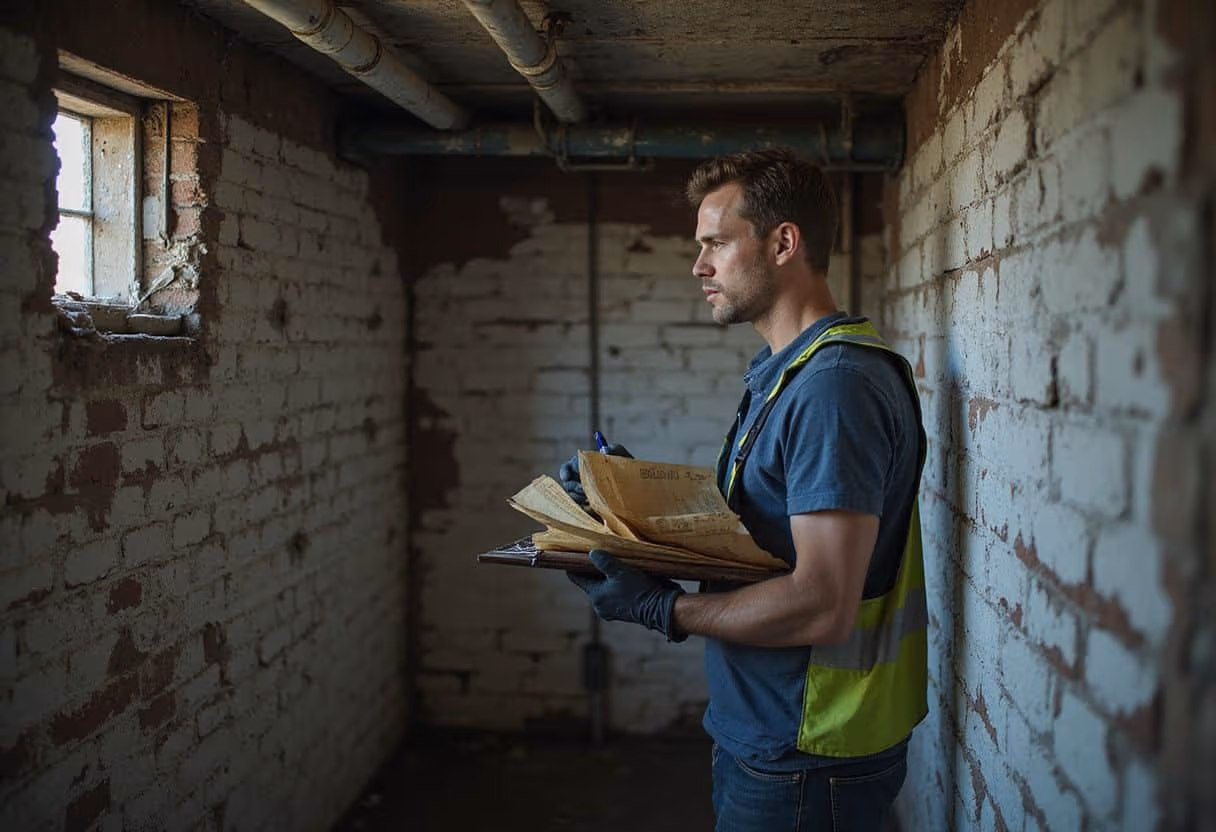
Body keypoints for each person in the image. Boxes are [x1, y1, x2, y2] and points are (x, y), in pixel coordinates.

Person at [559, 148, 928, 832]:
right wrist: (630, 505)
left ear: (784, 242)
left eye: (717, 244)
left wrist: (661, 611)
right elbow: (761, 537)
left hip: (809, 747)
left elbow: (821, 605)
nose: (699, 267)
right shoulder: (785, 372)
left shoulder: (832, 388)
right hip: (773, 731)